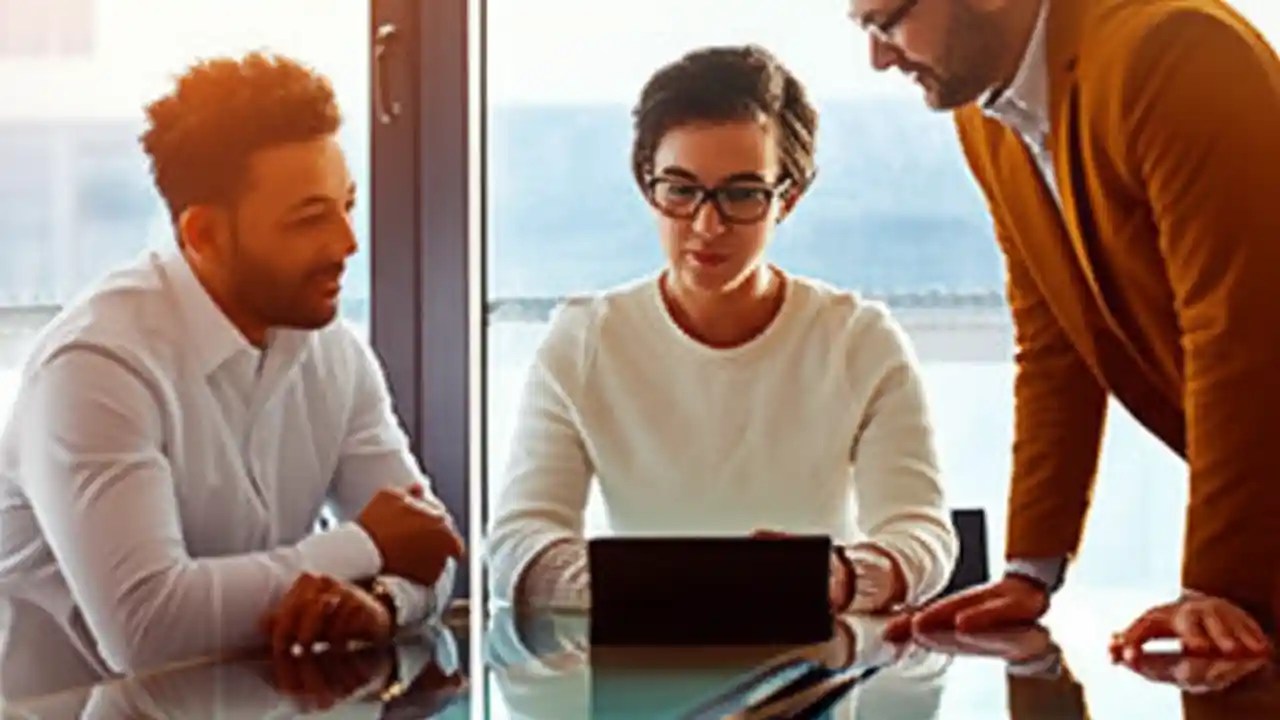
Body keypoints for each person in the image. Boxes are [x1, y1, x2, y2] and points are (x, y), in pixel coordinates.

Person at [0, 52, 464, 696]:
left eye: (347, 206)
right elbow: (147, 630)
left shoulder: (332, 350)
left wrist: (380, 602)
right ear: (204, 235)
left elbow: (431, 546)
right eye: (310, 219)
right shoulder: (94, 368)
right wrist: (362, 548)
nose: (347, 243)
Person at [845, 0, 1280, 656]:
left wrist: (1217, 588)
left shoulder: (1177, 52)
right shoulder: (984, 117)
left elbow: (1239, 333)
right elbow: (1053, 338)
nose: (879, 57)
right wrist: (1029, 568)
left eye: (889, 21)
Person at [486, 45, 958, 615]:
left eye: (742, 195)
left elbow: (923, 533)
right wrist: (683, 586)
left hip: (819, 653)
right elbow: (515, 545)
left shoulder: (859, 340)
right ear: (647, 186)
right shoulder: (584, 340)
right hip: (643, 657)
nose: (707, 225)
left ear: (787, 199)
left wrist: (838, 578)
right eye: (681, 190)